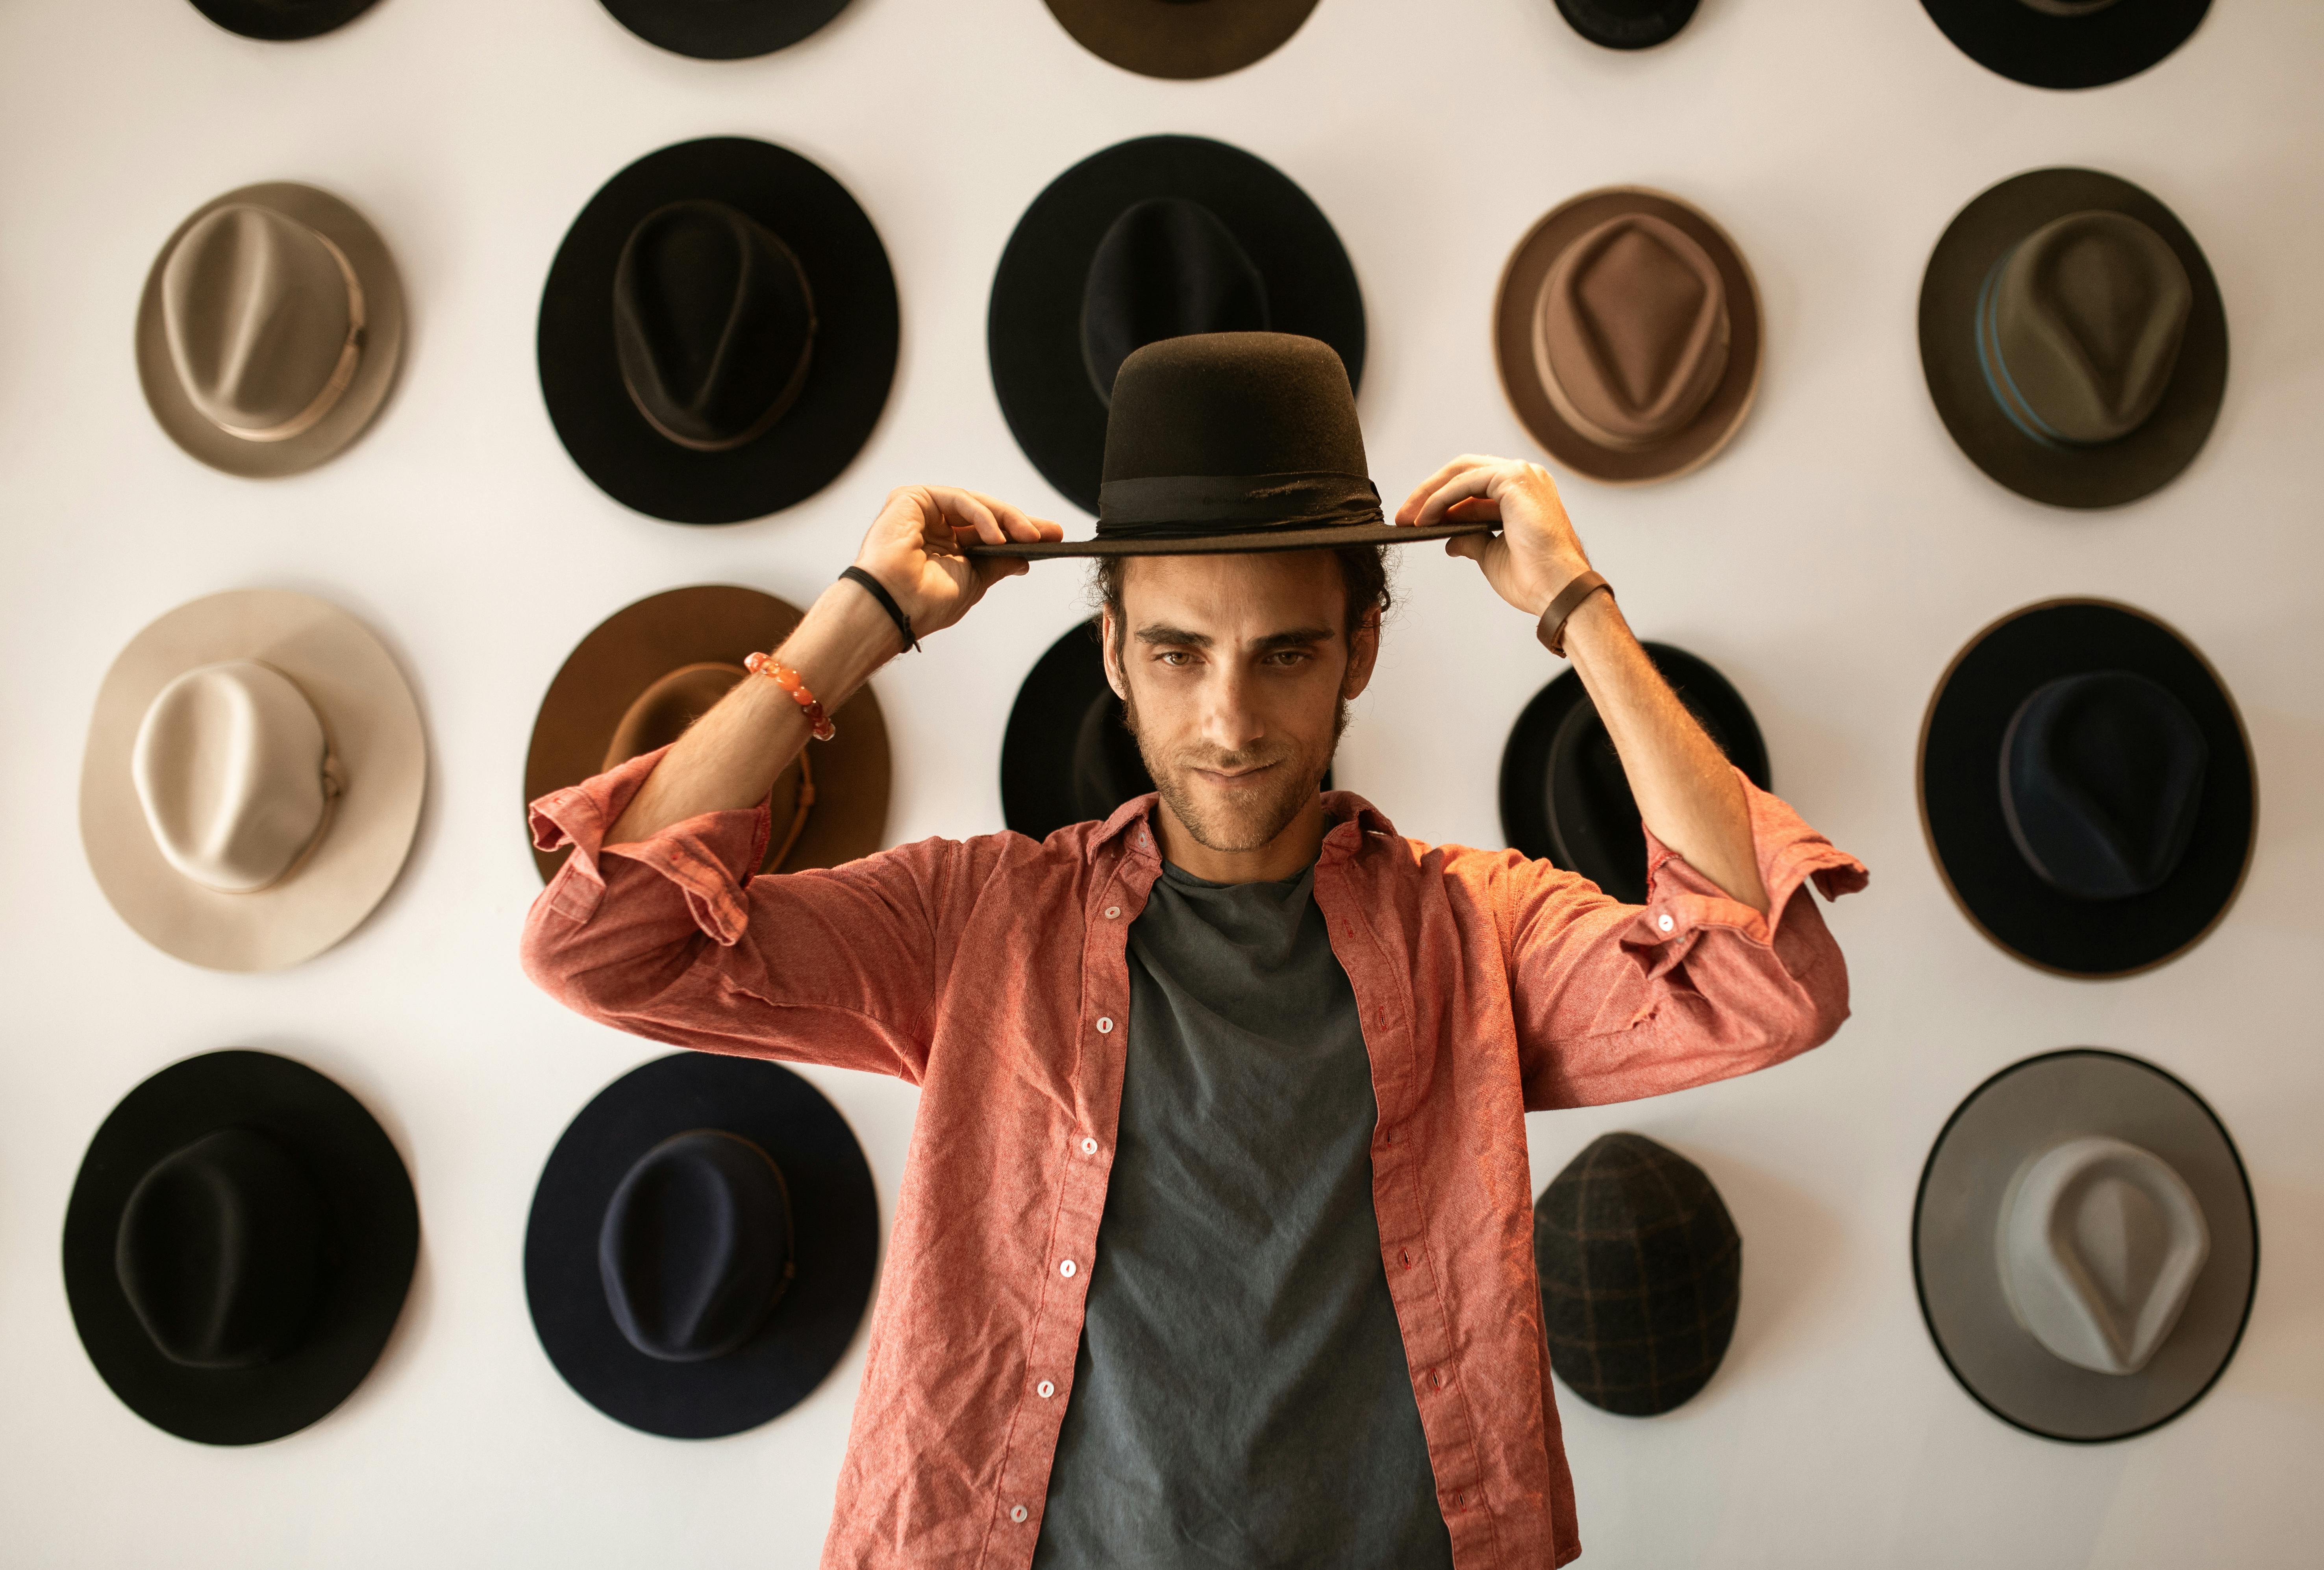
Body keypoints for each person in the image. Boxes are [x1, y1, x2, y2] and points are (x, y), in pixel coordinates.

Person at [522, 333, 1867, 1570]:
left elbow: (1769, 984)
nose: (1228, 719)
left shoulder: (1477, 930)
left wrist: (1576, 604)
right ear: (1110, 650)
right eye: (1177, 652)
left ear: (1362, 651)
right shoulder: (974, 925)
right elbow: (606, 946)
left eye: (1285, 653)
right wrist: (862, 612)